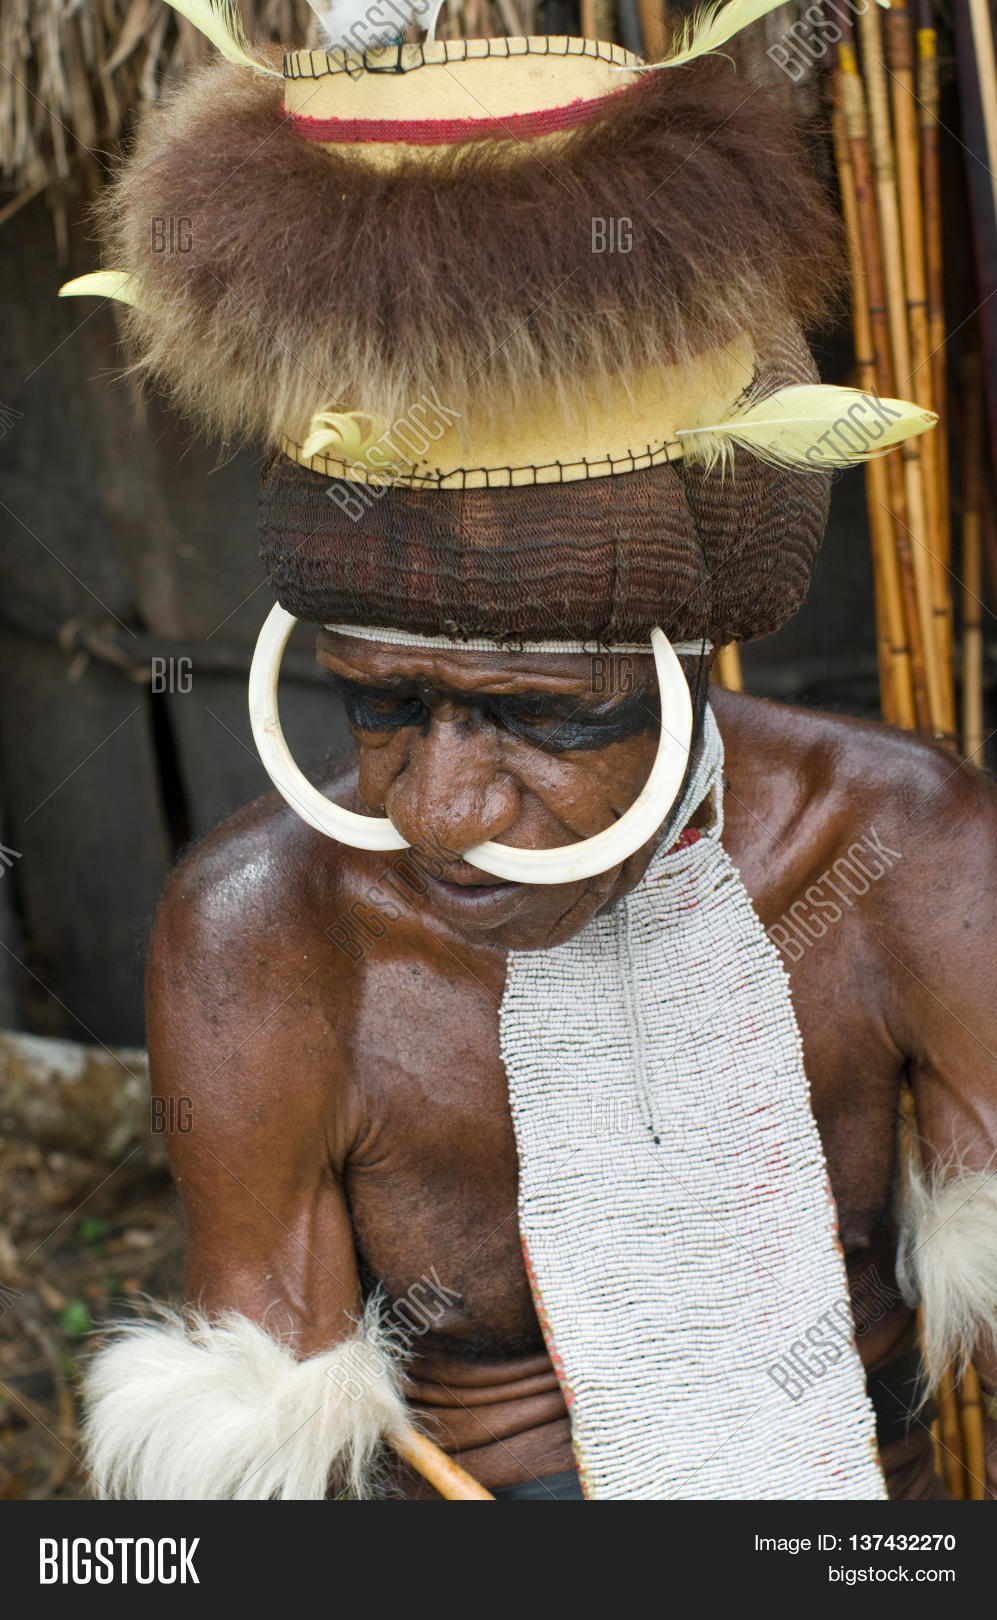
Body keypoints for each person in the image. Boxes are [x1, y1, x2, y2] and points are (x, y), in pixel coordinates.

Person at [63, 0, 996, 1500]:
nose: (437, 814)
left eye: (542, 717)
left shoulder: (902, 851)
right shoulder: (266, 941)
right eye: (378, 705)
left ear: (688, 663)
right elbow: (264, 1468)